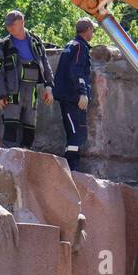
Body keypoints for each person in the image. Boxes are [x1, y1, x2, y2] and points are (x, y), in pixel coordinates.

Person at [0, 10, 53, 149]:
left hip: (32, 90)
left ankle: (26, 156)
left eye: (13, 24)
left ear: (22, 22)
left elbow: (45, 64)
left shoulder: (35, 40)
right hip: (12, 89)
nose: (10, 27)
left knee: (30, 126)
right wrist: (1, 95)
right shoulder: (5, 44)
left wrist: (49, 87)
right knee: (11, 125)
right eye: (8, 25)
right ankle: (9, 157)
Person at [53, 18, 96, 170]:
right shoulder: (79, 47)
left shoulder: (72, 45)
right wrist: (82, 93)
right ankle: (72, 170)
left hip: (68, 97)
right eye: (93, 30)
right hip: (72, 99)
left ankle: (72, 169)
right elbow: (76, 70)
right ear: (89, 29)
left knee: (76, 134)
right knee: (76, 135)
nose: (93, 33)